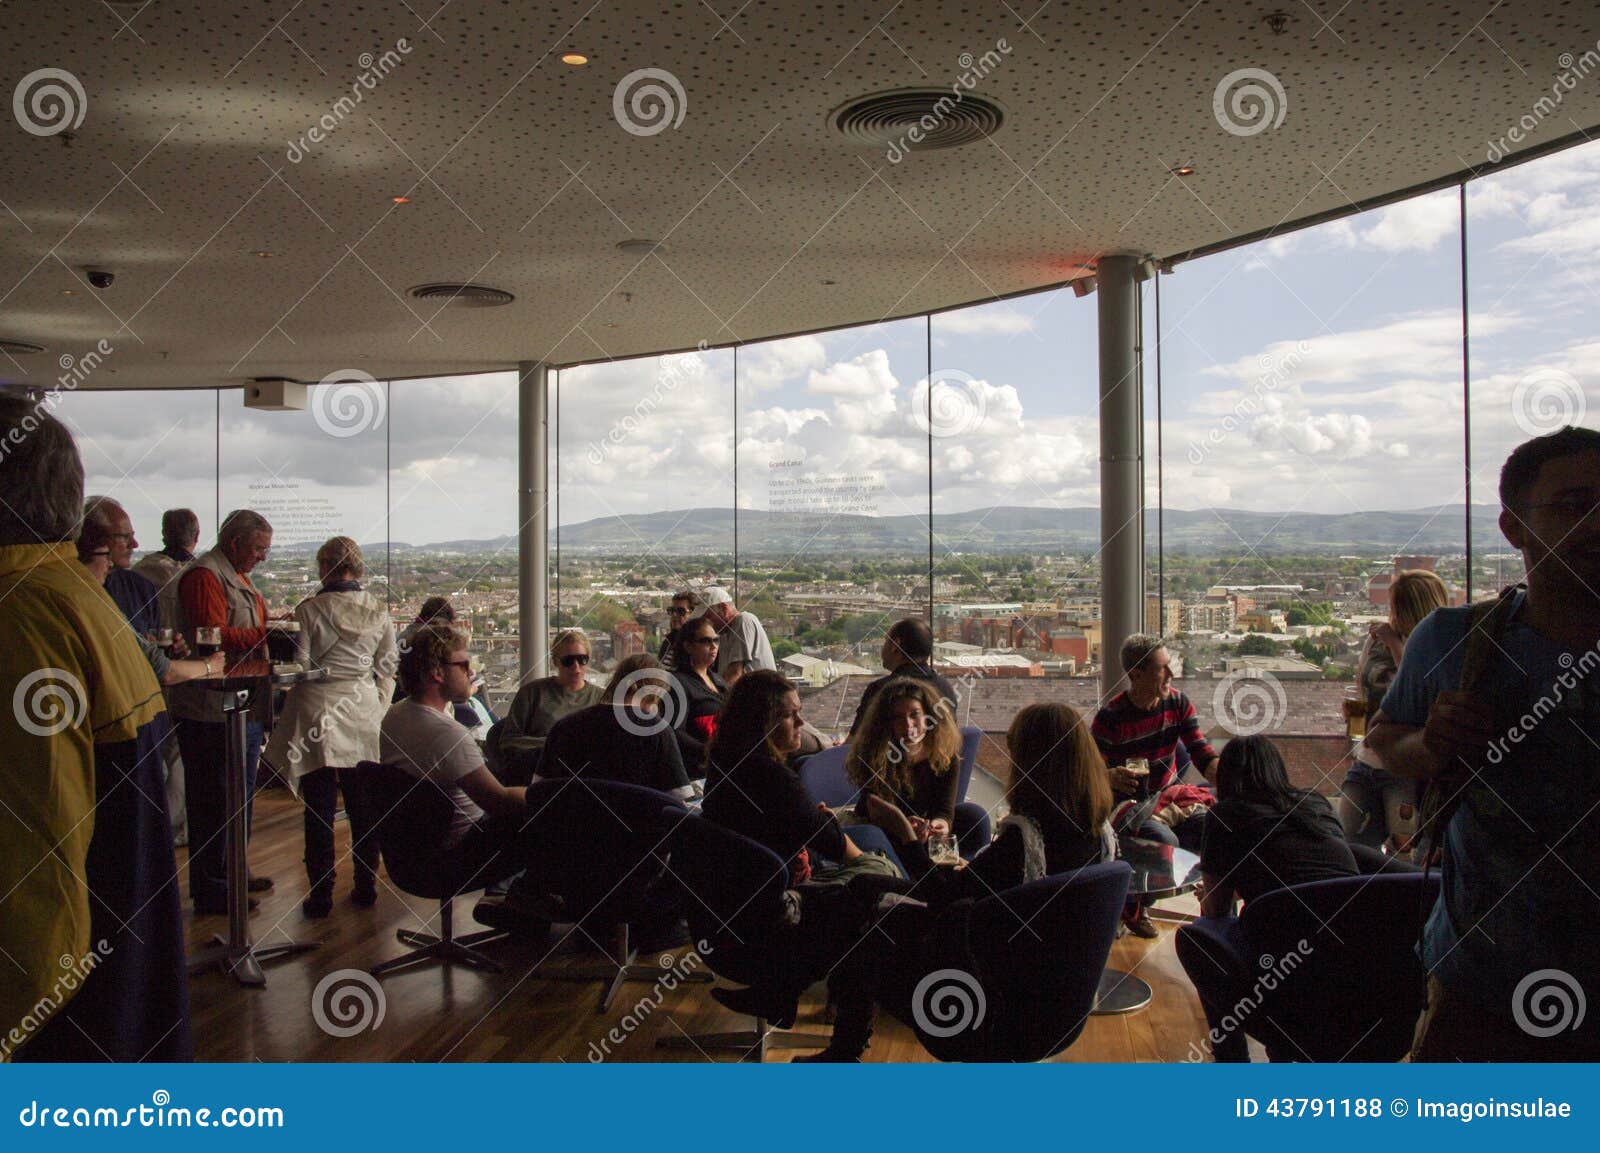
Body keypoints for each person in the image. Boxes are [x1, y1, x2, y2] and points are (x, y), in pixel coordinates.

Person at [1367, 425, 1600, 1061]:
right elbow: (1386, 739)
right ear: (1514, 528)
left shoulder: (1460, 643)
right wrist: (1431, 745)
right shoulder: (1451, 639)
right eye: (1575, 505)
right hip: (1482, 983)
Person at [0, 395, 185, 1062]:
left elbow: (36, 849)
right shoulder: (77, 595)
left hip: (58, 1009)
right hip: (114, 969)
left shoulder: (18, 613)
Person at [700, 670, 903, 1029]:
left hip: (727, 908)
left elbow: (796, 826)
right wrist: (845, 839)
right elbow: (838, 848)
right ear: (764, 723)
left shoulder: (724, 765)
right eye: (790, 715)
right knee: (880, 876)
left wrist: (813, 820)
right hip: (770, 914)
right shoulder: (774, 778)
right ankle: (836, 1006)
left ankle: (784, 993)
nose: (800, 723)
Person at [262, 537, 398, 918]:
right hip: (360, 708)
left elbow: (302, 665)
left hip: (317, 709)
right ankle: (366, 885)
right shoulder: (379, 610)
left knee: (318, 809)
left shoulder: (309, 610)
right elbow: (387, 667)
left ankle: (321, 894)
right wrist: (377, 704)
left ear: (325, 567)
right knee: (362, 806)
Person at [169, 508, 277, 915]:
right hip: (210, 708)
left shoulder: (231, 573)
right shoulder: (205, 577)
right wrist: (266, 635)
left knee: (238, 796)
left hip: (238, 705)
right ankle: (214, 887)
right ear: (235, 543)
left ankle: (234, 870)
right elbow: (210, 633)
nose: (262, 557)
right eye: (259, 549)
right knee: (214, 800)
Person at [379, 623, 530, 882]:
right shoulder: (447, 734)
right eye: (463, 665)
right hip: (459, 853)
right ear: (437, 672)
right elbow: (499, 802)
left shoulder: (395, 715)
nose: (471, 672)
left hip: (414, 849)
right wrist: (550, 793)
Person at [1091, 633, 1219, 938]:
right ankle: (1134, 904)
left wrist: (1234, 779)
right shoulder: (1111, 718)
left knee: (1216, 827)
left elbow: (1201, 752)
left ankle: (1217, 911)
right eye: (1163, 668)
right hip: (1126, 806)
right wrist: (1108, 776)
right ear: (1137, 674)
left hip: (1166, 798)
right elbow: (1089, 772)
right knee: (1164, 842)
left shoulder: (1178, 703)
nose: (1172, 673)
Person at [1337, 569, 1449, 856]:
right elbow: (1362, 684)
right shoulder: (1377, 640)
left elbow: (1417, 685)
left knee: (1405, 851)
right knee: (1346, 844)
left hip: (1404, 768)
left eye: (1396, 607)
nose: (1392, 615)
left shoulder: (1435, 648)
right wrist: (1354, 710)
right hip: (1367, 759)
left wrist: (1395, 644)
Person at [1198, 735, 1357, 915]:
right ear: (1278, 768)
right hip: (1350, 915)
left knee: (1199, 929)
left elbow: (1216, 911)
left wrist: (1206, 899)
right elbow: (1299, 868)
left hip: (1284, 922)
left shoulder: (1224, 815)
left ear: (1225, 775)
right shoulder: (1315, 801)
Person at [846, 678, 963, 878]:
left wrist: (940, 824)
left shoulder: (944, 752)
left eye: (915, 714)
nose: (908, 725)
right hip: (883, 829)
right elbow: (875, 808)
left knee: (972, 816)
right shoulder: (874, 754)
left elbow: (944, 808)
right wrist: (907, 827)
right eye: (898, 718)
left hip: (924, 829)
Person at [133, 508, 201, 847]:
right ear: (196, 536)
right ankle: (173, 828)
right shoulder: (196, 575)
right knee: (177, 754)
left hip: (142, 668)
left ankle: (148, 825)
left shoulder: (140, 571)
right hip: (185, 667)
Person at [538, 654, 694, 799]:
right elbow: (679, 796)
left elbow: (539, 788)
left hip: (572, 818)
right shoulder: (657, 730)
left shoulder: (565, 726)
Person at [492, 629, 604, 783]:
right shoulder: (532, 692)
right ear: (555, 661)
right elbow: (508, 740)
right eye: (568, 660)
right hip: (539, 772)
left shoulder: (602, 698)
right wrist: (555, 746)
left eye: (582, 659)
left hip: (586, 776)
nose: (576, 667)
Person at [848, 617, 958, 736]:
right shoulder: (945, 688)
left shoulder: (881, 690)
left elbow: (855, 742)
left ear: (895, 645)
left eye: (886, 641)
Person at [669, 612, 725, 771]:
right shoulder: (677, 683)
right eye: (706, 641)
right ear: (688, 646)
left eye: (716, 640)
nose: (713, 646)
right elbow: (675, 732)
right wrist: (708, 751)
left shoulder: (719, 680)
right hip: (698, 768)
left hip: (723, 764)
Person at [694, 585, 775, 687]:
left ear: (724, 608)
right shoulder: (723, 633)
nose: (706, 623)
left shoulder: (744, 620)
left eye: (708, 617)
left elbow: (734, 674)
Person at [659, 587, 702, 669]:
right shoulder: (668, 642)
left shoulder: (697, 647)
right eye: (672, 610)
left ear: (694, 614)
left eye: (680, 611)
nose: (674, 615)